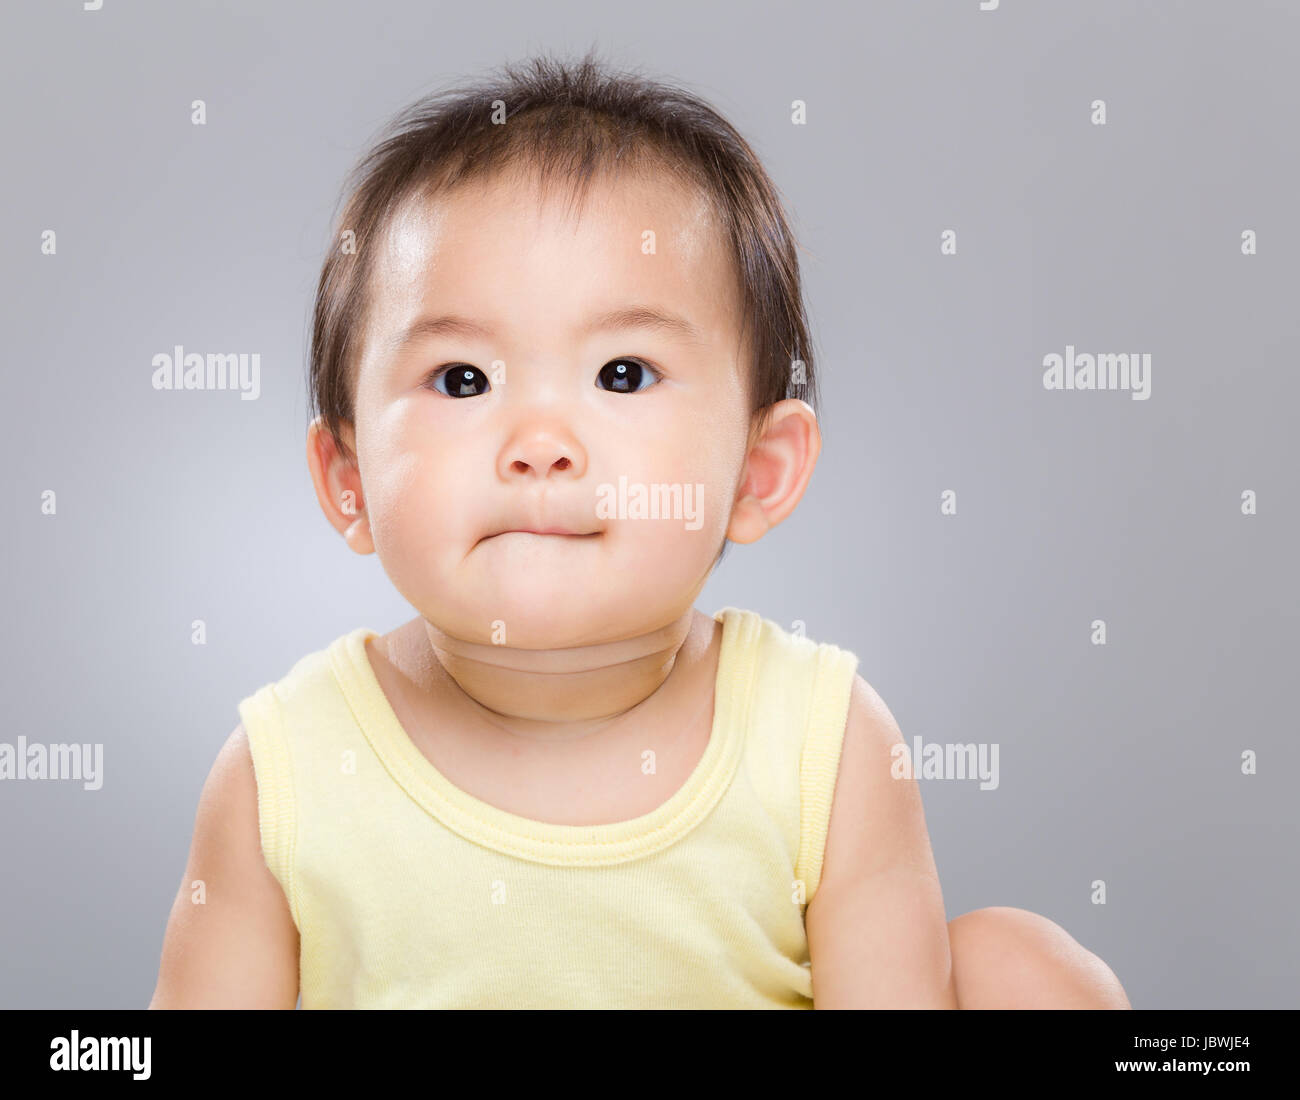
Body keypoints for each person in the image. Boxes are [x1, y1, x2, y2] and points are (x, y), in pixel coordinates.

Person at [149, 49, 1129, 1010]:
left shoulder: (819, 741)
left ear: (759, 470)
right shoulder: (288, 767)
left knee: (1022, 971)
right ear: (348, 478)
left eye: (622, 373)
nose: (539, 442)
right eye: (462, 380)